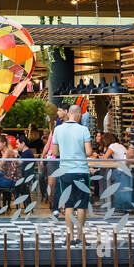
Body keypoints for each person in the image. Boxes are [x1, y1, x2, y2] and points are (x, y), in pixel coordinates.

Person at [50, 105, 92, 246]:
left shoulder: (58, 129)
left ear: (68, 114)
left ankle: (70, 236)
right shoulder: (84, 130)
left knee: (68, 205)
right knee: (81, 205)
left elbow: (54, 152)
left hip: (65, 171)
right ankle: (80, 237)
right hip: (81, 170)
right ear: (79, 115)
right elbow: (88, 152)